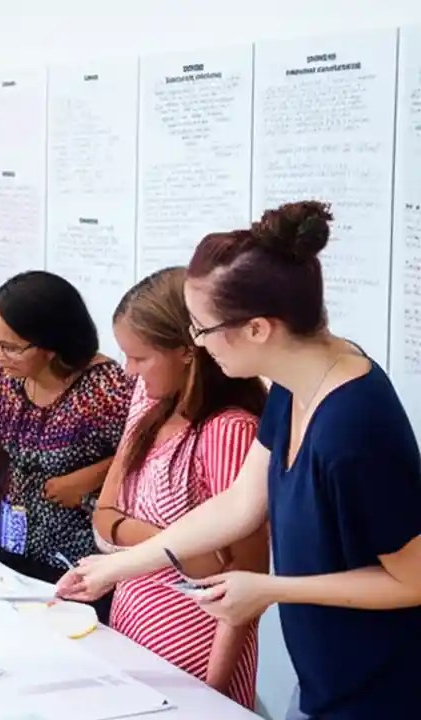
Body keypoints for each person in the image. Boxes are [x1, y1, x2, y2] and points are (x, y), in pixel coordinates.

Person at [57, 202, 421, 719]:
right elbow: (241, 503)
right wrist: (120, 566)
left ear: (257, 329)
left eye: (202, 329)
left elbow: (413, 579)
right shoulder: (297, 385)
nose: (198, 346)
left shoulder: (354, 427)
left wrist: (269, 590)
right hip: (324, 678)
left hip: (382, 690)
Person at [98, 267, 269, 707]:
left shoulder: (231, 430)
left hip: (194, 650)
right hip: (130, 627)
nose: (128, 371)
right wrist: (180, 548)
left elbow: (242, 578)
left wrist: (216, 689)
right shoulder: (148, 404)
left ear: (187, 351)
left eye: (139, 358)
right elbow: (102, 519)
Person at [0, 270, 133, 622]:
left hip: (80, 560)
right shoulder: (0, 379)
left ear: (51, 346)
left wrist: (86, 479)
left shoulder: (107, 389)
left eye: (10, 347)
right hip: (15, 541)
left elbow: (141, 455)